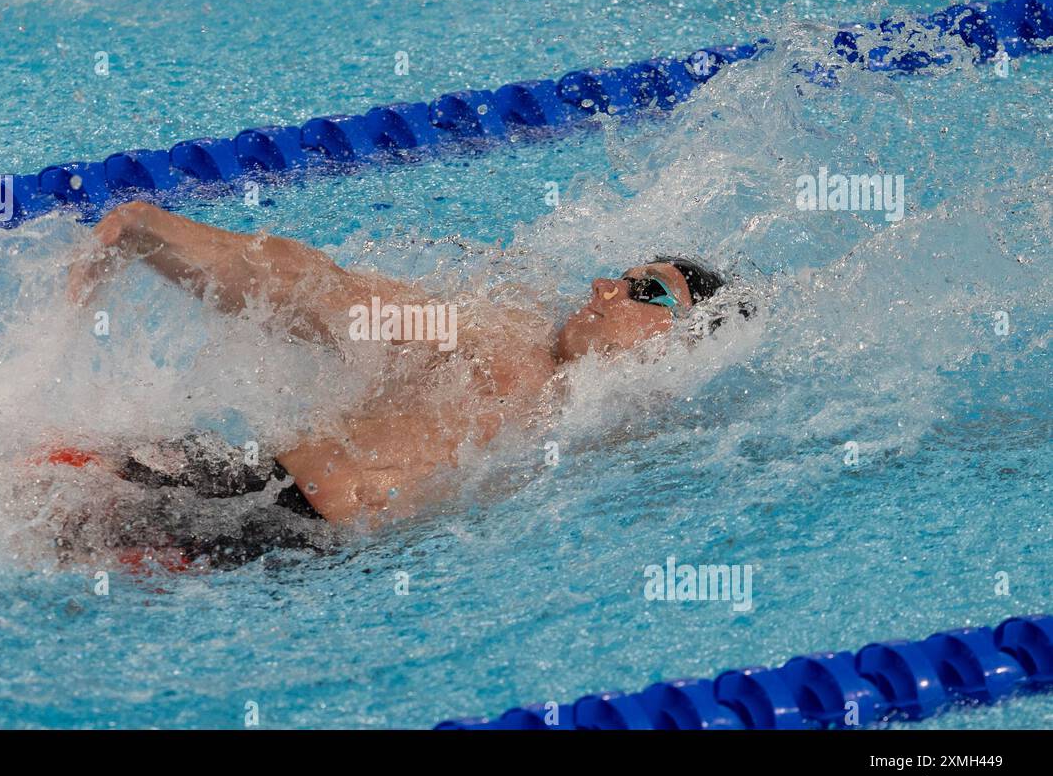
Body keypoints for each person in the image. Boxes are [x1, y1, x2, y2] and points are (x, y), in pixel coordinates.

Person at [57, 200, 746, 566]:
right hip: (249, 498)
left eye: (643, 289)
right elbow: (332, 297)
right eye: (620, 274)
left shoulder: (633, 435)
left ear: (678, 339)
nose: (603, 286)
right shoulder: (501, 335)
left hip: (288, 556)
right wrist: (154, 232)